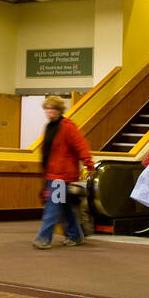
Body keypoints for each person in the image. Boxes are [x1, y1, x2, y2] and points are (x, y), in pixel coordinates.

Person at [33, 94, 94, 249]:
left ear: (59, 110)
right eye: (46, 108)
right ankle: (76, 235)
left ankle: (43, 238)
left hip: (61, 176)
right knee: (64, 207)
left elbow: (81, 146)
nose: (49, 111)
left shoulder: (67, 126)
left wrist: (89, 165)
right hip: (52, 174)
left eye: (52, 108)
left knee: (53, 207)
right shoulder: (49, 127)